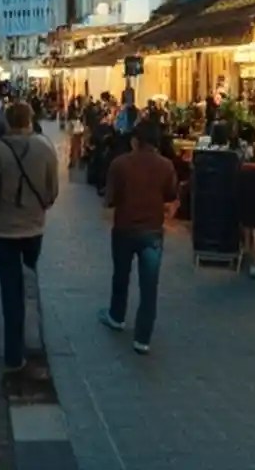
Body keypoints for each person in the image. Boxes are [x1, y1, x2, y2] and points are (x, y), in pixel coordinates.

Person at [0, 102, 59, 373]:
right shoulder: (45, 148)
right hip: (34, 228)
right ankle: (35, 340)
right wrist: (38, 207)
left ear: (7, 121)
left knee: (10, 289)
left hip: (5, 230)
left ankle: (13, 352)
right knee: (29, 281)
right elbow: (52, 191)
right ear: (30, 120)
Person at [99, 121, 178, 355]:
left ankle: (117, 316)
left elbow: (109, 200)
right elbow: (170, 198)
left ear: (135, 141)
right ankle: (142, 338)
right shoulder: (166, 166)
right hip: (152, 231)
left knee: (121, 275)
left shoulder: (120, 164)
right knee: (149, 285)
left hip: (124, 228)